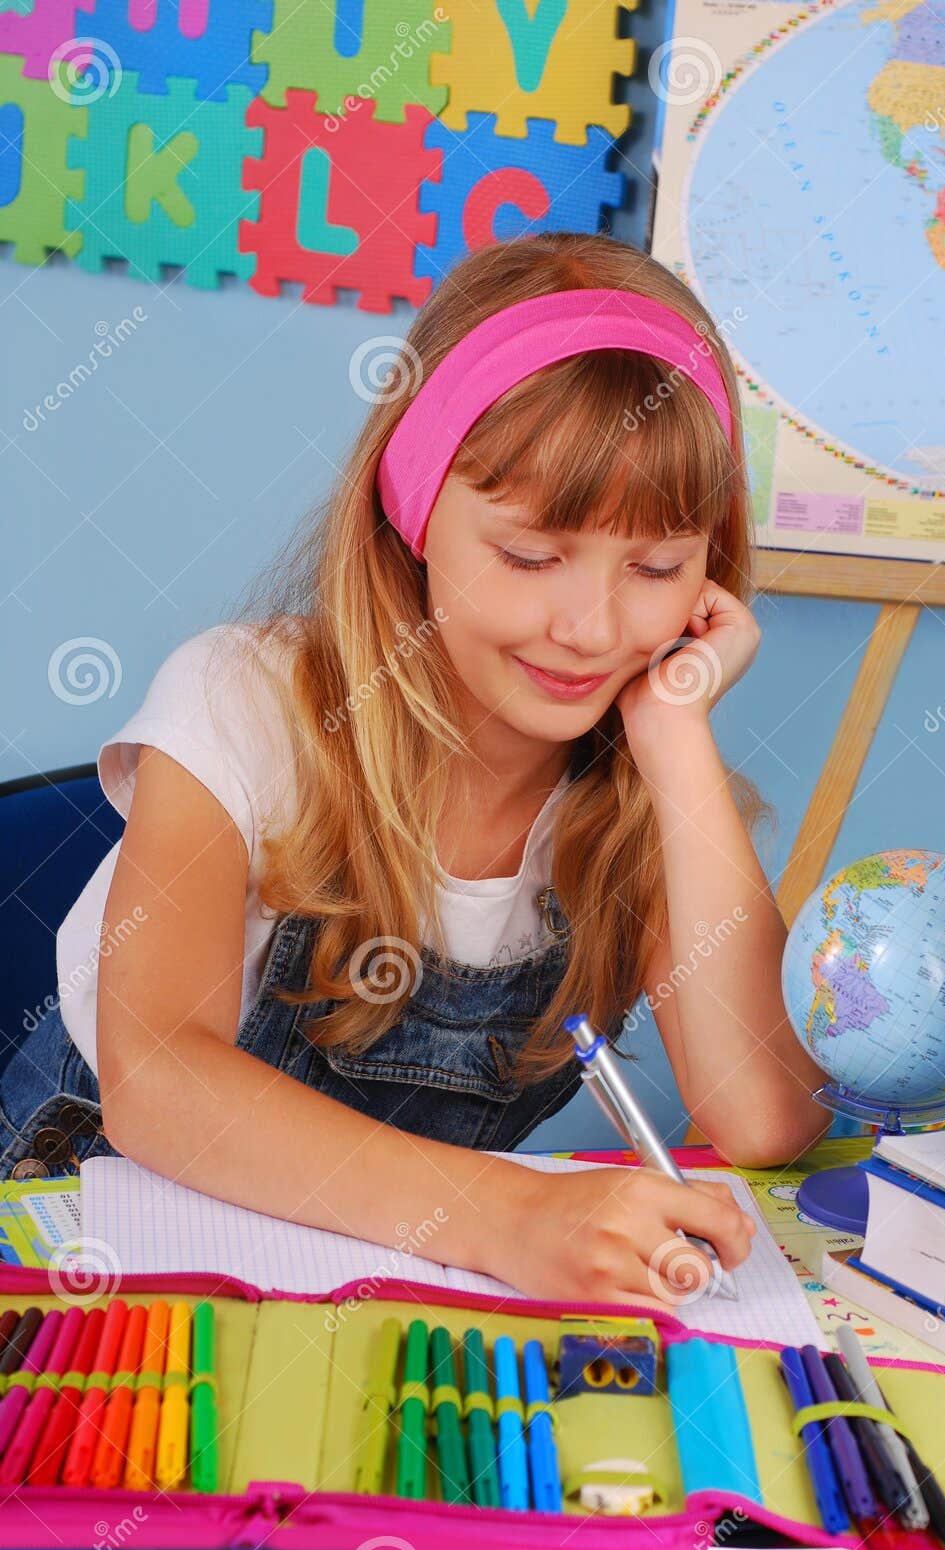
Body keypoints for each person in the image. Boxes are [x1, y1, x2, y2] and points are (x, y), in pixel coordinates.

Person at [0, 232, 829, 1311]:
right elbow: (159, 1082)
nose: (590, 628)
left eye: (657, 566)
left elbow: (766, 1116)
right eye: (530, 556)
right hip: (97, 1254)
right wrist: (509, 1217)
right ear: (412, 508)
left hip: (384, 1291)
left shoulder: (638, 793)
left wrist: (674, 737)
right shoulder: (241, 701)